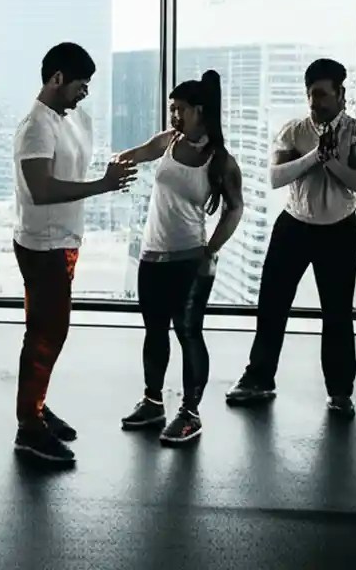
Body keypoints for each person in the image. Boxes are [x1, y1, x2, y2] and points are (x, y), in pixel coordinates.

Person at [226, 59, 356, 415]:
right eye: (311, 95)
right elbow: (276, 177)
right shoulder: (293, 130)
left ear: (341, 94)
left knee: (337, 313)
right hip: (294, 225)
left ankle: (340, 391)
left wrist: (334, 163)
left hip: (339, 230)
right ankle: (259, 378)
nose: (316, 101)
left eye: (323, 94)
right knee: (272, 304)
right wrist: (314, 156)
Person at [12, 42, 137, 464]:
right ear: (57, 79)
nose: (85, 93)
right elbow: (41, 189)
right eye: (80, 85)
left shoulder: (73, 118)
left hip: (65, 241)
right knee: (47, 334)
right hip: (42, 244)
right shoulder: (36, 126)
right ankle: (29, 426)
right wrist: (103, 185)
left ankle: (36, 409)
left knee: (47, 331)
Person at [114, 71, 243, 445]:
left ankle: (190, 413)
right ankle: (153, 402)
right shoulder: (169, 141)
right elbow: (136, 153)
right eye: (172, 109)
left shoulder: (219, 160)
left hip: (189, 261)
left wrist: (210, 251)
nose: (174, 115)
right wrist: (112, 166)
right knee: (154, 332)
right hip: (151, 257)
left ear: (199, 110)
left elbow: (234, 210)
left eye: (180, 109)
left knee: (188, 333)